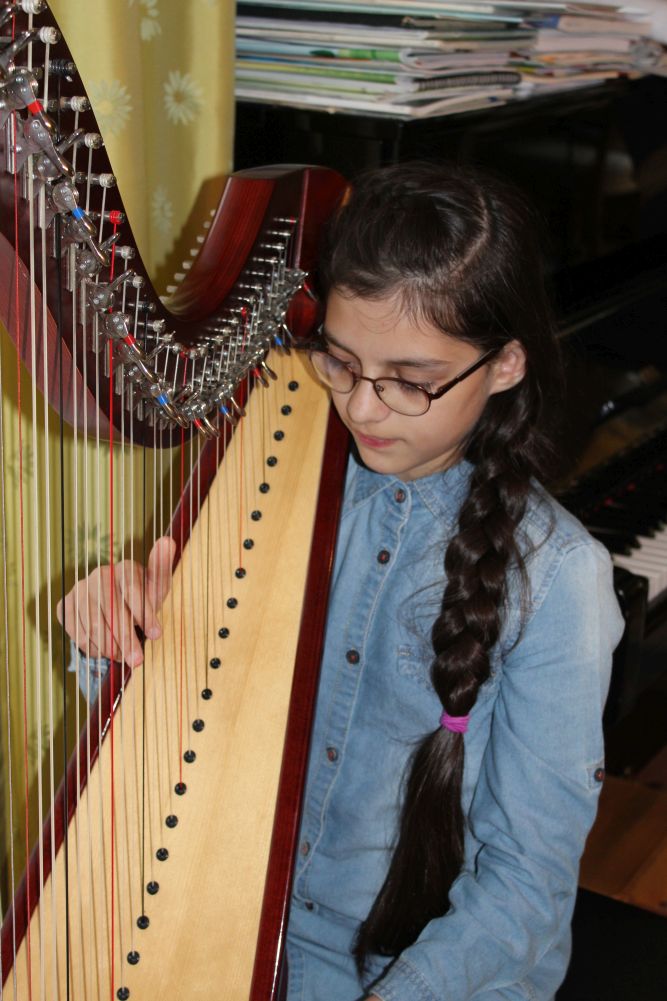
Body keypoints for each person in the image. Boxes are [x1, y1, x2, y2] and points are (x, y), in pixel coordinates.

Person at [58, 162, 624, 1001]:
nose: (362, 407)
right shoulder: (275, 459)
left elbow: (522, 893)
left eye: (409, 380)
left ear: (503, 366)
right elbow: (174, 726)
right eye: (341, 360)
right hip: (231, 915)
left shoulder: (560, 582)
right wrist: (111, 635)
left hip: (427, 973)